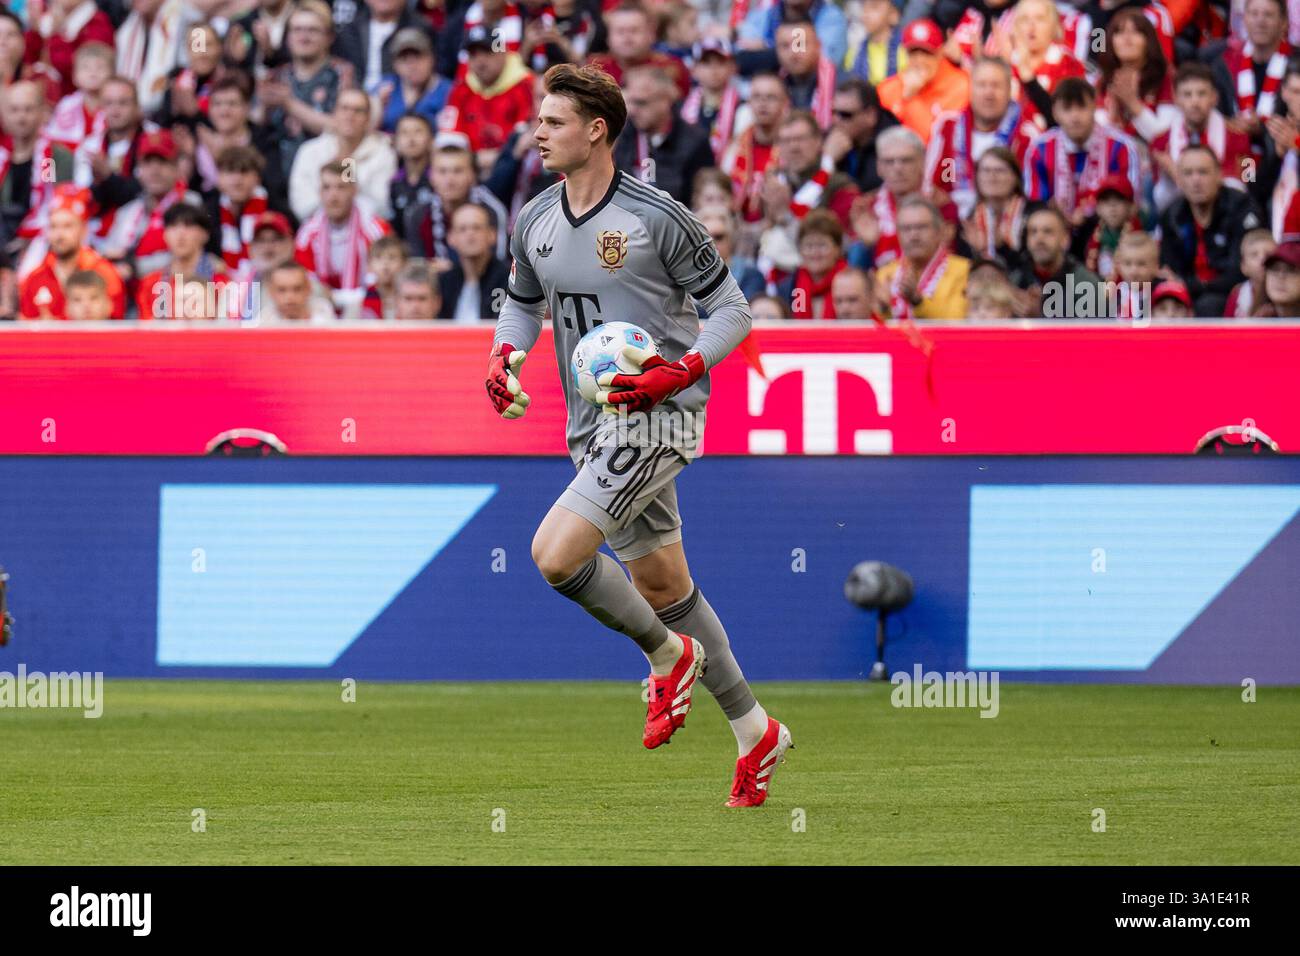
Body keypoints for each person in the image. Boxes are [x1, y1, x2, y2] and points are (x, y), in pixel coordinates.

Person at [488, 63, 791, 806]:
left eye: (553, 122)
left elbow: (734, 312)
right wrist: (503, 353)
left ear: (597, 130)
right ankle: (756, 732)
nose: (538, 132)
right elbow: (523, 303)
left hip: (658, 414)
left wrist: (677, 372)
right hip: (592, 425)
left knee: (555, 555)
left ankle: (665, 657)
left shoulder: (657, 216)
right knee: (663, 585)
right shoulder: (535, 218)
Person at [1158, 144, 1264, 316]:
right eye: (1188, 173)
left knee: (1208, 305)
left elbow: (1240, 271)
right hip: (1187, 293)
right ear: (1179, 179)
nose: (1196, 180)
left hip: (1231, 293)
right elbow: (1169, 270)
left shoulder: (1242, 208)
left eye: (1203, 172)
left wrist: (1198, 286)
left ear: (1219, 175)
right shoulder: (1171, 215)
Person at [925, 56, 1037, 217]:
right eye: (981, 85)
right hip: (955, 226)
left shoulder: (1027, 136)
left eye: (996, 85)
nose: (988, 93)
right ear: (971, 88)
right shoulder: (947, 127)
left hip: (1007, 226)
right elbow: (933, 187)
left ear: (1009, 90)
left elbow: (1030, 195)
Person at [1022, 78, 1143, 226]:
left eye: (1081, 107)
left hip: (1107, 231)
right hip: (1055, 232)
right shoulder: (1039, 150)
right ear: (1054, 112)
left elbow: (1131, 205)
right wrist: (1054, 213)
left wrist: (1090, 214)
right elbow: (1035, 205)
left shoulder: (1121, 147)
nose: (1075, 117)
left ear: (1094, 107)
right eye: (1067, 109)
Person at [1150, 62, 1253, 213]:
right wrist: (1171, 172)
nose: (1195, 102)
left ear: (1214, 97)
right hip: (1180, 212)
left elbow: (1250, 179)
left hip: (1226, 212)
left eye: (1202, 93)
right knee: (1161, 188)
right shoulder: (1159, 143)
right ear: (1176, 98)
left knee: (1236, 186)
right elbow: (1161, 194)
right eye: (1187, 94)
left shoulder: (1240, 137)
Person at [294, 160, 393, 315]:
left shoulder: (376, 230)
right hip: (322, 311)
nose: (333, 195)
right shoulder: (307, 233)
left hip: (368, 310)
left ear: (354, 190)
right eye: (326, 188)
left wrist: (338, 298)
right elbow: (305, 281)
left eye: (341, 187)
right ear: (319, 193)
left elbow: (383, 281)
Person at [289, 88, 397, 222]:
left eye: (358, 110)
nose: (350, 116)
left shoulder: (383, 154)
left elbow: (382, 207)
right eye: (344, 108)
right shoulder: (310, 151)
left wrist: (349, 174)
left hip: (366, 234)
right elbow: (301, 205)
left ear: (368, 119)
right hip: (318, 232)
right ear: (334, 113)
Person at [20, 186, 126, 320]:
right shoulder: (35, 277)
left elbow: (116, 326)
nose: (59, 235)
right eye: (53, 226)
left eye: (67, 226)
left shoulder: (105, 273)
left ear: (84, 230)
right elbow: (24, 326)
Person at [613, 67, 714, 206]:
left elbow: (700, 201)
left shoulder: (695, 142)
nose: (633, 111)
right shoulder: (623, 134)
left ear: (665, 102)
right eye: (631, 102)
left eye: (641, 103)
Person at [439, 25, 535, 165]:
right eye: (474, 54)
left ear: (504, 52)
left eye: (487, 52)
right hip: (470, 170)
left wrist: (497, 158)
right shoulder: (462, 89)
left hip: (513, 170)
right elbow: (449, 138)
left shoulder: (526, 86)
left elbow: (524, 139)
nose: (480, 61)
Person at [873, 195, 969, 320]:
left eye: (921, 227)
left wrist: (917, 301)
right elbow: (870, 327)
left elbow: (956, 321)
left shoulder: (964, 271)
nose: (913, 236)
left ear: (939, 231)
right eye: (906, 229)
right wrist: (884, 310)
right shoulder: (885, 274)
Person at [876, 19, 971, 144]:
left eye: (927, 53)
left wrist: (911, 98)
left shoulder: (962, 86)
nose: (919, 60)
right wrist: (903, 101)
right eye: (913, 53)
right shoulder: (888, 88)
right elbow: (882, 140)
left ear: (940, 53)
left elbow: (933, 142)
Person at [1008, 204, 1102, 317]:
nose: (1039, 239)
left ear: (1065, 239)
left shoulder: (1087, 285)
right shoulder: (1015, 281)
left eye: (1048, 231)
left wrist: (1041, 315)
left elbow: (1093, 332)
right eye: (1033, 232)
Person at [587, 2, 690, 99]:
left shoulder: (672, 68)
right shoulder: (594, 68)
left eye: (634, 30)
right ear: (608, 37)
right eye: (620, 31)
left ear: (651, 34)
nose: (627, 38)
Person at [825, 78, 900, 194]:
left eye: (845, 115)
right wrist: (827, 160)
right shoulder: (828, 140)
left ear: (870, 116)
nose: (836, 121)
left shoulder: (896, 147)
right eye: (833, 113)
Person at [439, 201, 510, 321]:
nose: (470, 234)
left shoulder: (510, 280)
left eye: (477, 228)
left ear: (492, 235)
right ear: (451, 238)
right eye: (462, 229)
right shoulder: (444, 282)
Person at [375, 26, 451, 133]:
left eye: (418, 57)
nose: (412, 66)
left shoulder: (449, 92)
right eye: (405, 59)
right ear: (395, 64)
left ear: (431, 59)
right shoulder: (385, 87)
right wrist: (378, 107)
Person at [776, 209, 847, 318]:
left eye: (822, 245)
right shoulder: (788, 288)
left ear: (837, 249)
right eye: (809, 246)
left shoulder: (851, 284)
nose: (815, 253)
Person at [846, 0, 907, 86]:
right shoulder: (855, 51)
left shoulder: (906, 50)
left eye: (874, 7)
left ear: (894, 15)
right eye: (864, 6)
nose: (866, 13)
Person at [262, 258, 337, 322]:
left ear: (308, 288)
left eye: (297, 289)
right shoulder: (264, 321)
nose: (290, 296)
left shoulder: (323, 313)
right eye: (282, 290)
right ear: (271, 291)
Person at [1226, 228, 1277, 318]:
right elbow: (1227, 328)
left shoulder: (1282, 294)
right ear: (1243, 266)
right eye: (1254, 255)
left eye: (1268, 255)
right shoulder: (1237, 294)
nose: (1262, 260)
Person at [361, 234, 409, 320]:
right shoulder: (362, 299)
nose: (385, 263)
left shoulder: (411, 296)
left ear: (404, 263)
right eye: (378, 258)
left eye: (392, 258)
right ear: (369, 265)